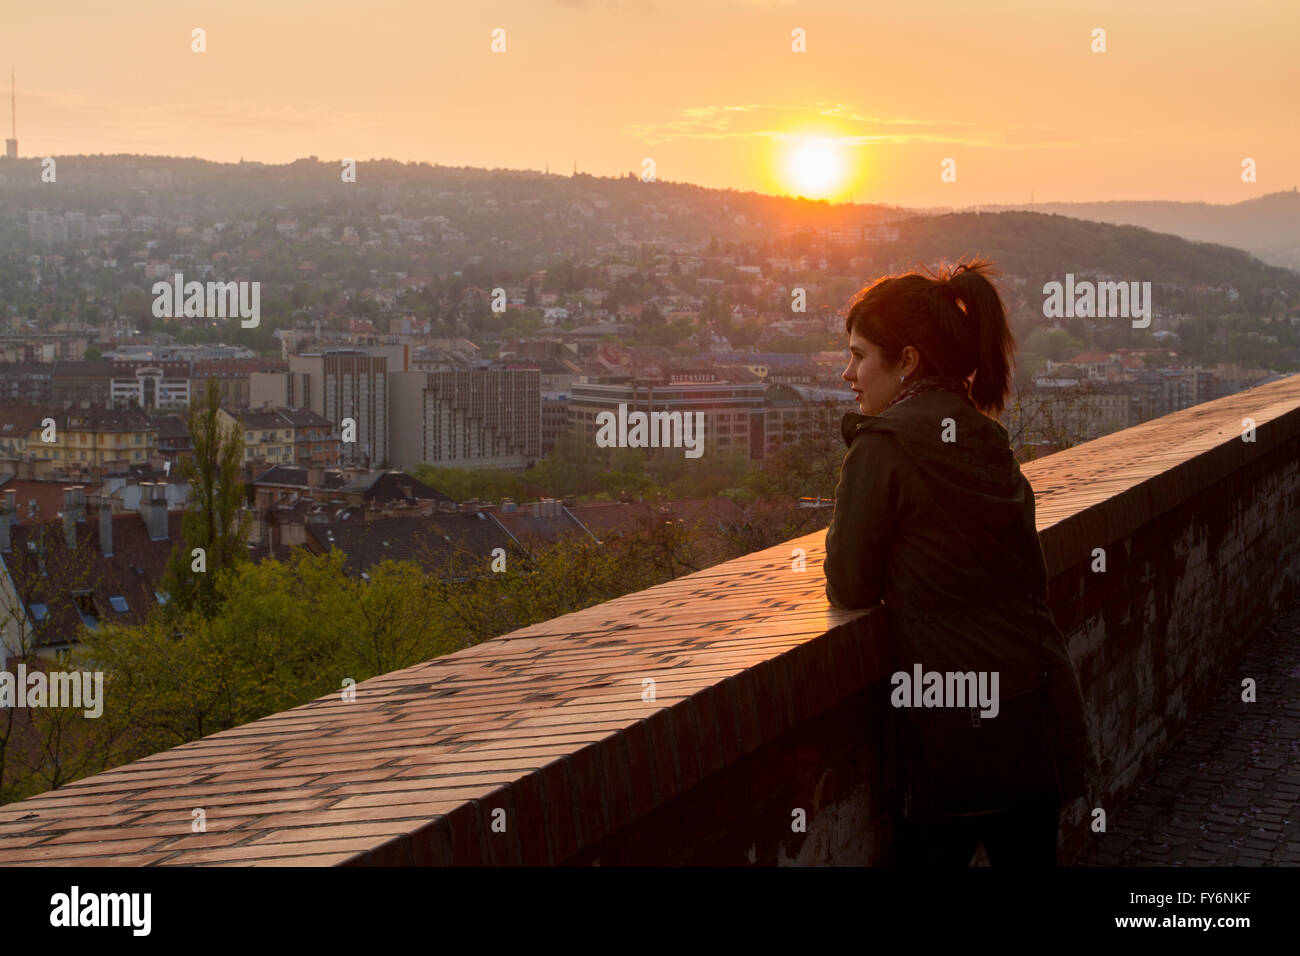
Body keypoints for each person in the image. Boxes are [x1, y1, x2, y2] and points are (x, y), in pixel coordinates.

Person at [822, 259, 1099, 866]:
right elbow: (1028, 573)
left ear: (910, 361)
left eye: (859, 355)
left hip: (952, 724)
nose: (847, 374)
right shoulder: (985, 437)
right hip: (1033, 708)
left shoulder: (884, 446)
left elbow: (849, 585)